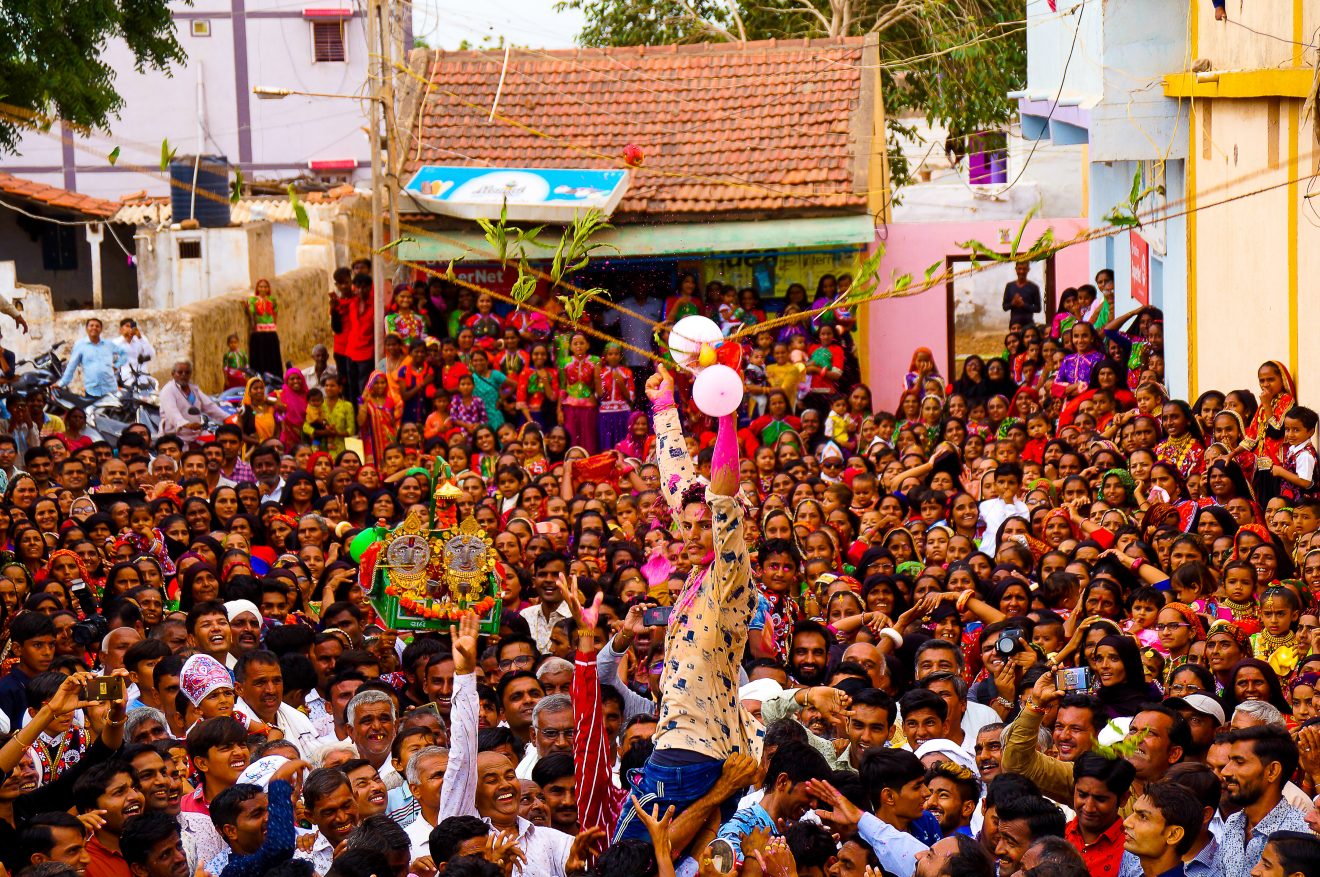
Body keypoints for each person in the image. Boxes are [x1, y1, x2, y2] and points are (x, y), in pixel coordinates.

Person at [1215, 725, 1309, 875]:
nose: (1225, 771)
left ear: (1272, 771)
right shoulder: (1233, 823)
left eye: (1239, 762)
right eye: (1229, 761)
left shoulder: (1299, 833)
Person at [159, 361, 229, 446]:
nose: (184, 375)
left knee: (216, 445)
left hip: (196, 434)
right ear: (173, 374)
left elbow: (209, 406)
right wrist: (186, 424)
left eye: (187, 372)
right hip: (175, 437)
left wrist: (227, 418)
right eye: (180, 372)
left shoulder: (194, 389)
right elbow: (172, 412)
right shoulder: (168, 390)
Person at [59, 318, 124, 399]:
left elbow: (124, 355)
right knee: (92, 411)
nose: (94, 328)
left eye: (97, 326)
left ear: (101, 329)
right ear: (86, 328)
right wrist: (61, 383)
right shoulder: (80, 345)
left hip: (110, 391)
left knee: (112, 411)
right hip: (92, 392)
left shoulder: (108, 344)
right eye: (91, 325)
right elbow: (71, 366)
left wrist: (115, 366)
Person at [1003, 262, 1042, 328]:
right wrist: (1013, 303)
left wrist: (1023, 305)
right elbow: (1004, 307)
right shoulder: (1009, 286)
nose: (1022, 271)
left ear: (1028, 270)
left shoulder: (1033, 287)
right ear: (1016, 269)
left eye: (1024, 269)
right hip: (1014, 325)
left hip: (1028, 324)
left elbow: (1038, 309)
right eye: (1019, 269)